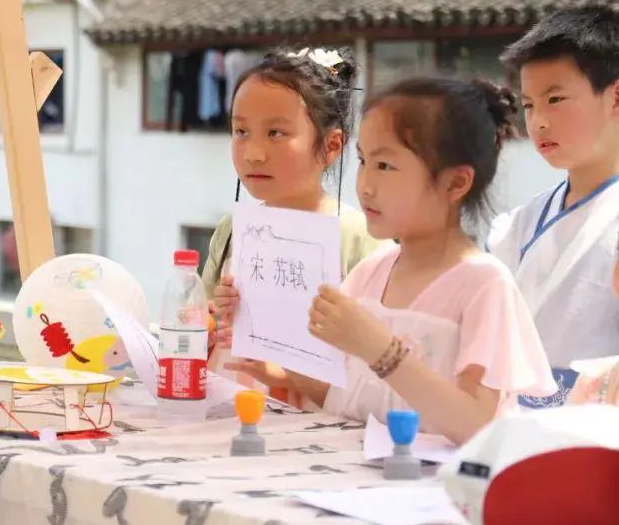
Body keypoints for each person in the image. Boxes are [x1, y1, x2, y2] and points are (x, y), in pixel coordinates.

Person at [217, 78, 555, 444]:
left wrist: (381, 349)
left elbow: (476, 424)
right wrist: (279, 371)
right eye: (364, 161)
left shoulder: (484, 286)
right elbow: (350, 398)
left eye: (386, 166)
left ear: (456, 183)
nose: (365, 184)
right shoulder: (369, 274)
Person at [203, 48, 383, 402]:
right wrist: (214, 315)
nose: (253, 152)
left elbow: (379, 355)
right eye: (241, 130)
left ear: (330, 146)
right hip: (227, 409)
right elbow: (198, 326)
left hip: (319, 424)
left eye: (275, 133)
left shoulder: (362, 238)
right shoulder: (232, 229)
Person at [486, 7, 619, 403]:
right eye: (528, 105)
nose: (539, 121)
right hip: (512, 428)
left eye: (555, 99)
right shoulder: (515, 224)